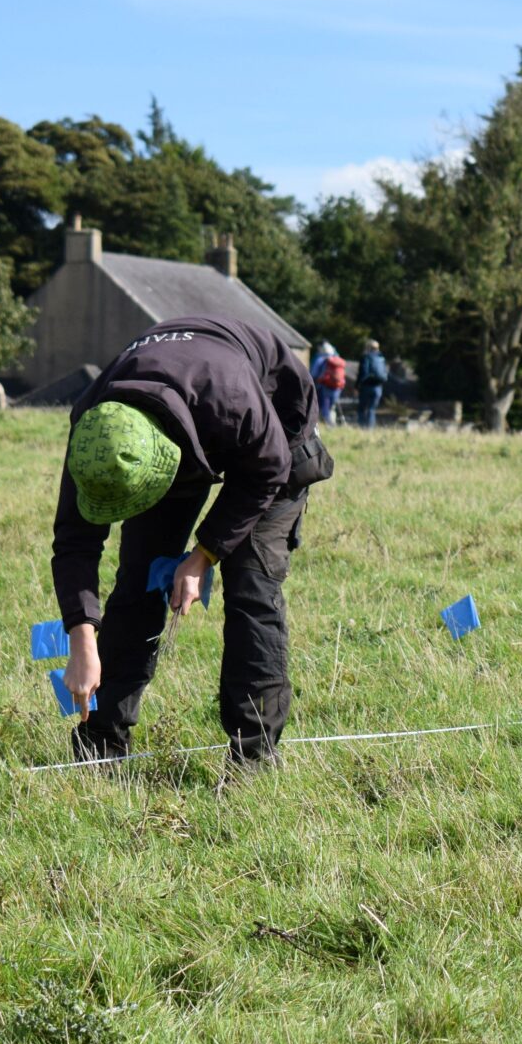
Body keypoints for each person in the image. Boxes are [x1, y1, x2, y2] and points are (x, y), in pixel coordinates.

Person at [51, 315, 332, 769]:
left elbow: (268, 471)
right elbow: (74, 541)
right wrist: (83, 640)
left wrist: (204, 555)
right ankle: (102, 745)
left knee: (250, 583)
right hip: (174, 411)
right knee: (141, 576)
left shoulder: (234, 400)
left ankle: (254, 757)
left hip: (273, 433)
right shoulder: (96, 431)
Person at [356, 339, 389, 429]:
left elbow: (362, 372)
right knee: (372, 409)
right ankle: (370, 428)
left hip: (366, 386)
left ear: (368, 347)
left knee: (361, 408)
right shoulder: (381, 357)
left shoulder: (366, 357)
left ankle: (361, 427)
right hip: (378, 387)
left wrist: (357, 386)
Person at [312, 342, 346, 424]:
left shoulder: (321, 359)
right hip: (337, 386)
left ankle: (326, 424)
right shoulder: (338, 359)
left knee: (324, 406)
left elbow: (314, 373)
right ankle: (332, 423)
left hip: (324, 385)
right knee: (332, 407)